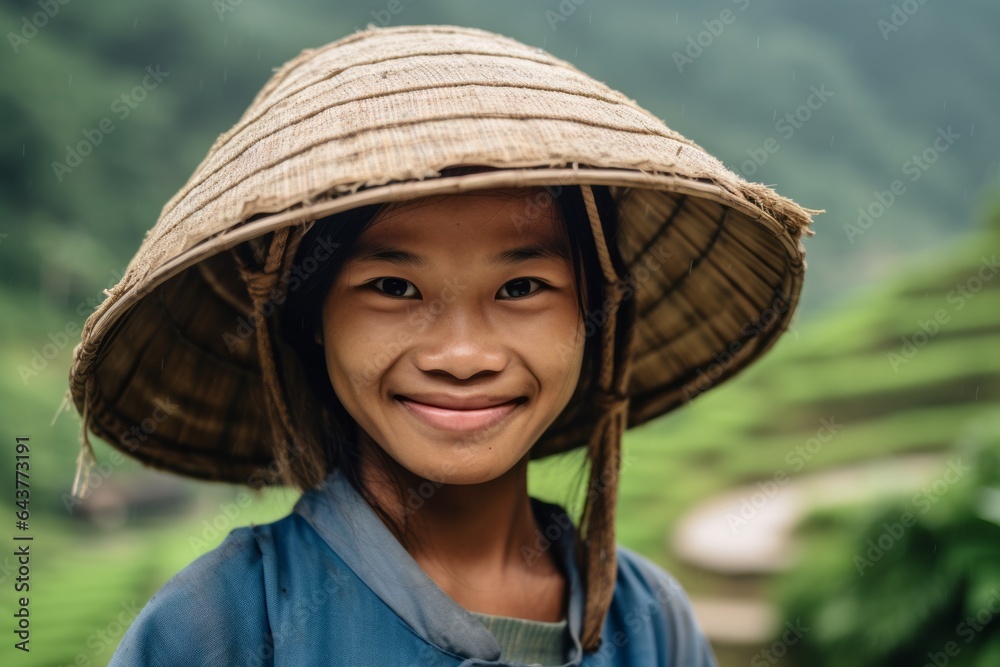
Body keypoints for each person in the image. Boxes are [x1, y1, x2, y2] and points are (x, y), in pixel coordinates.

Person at [67, 23, 817, 666]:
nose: (463, 354)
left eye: (522, 287)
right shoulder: (224, 626)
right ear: (312, 316)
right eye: (394, 287)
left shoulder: (654, 627)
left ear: (594, 313)